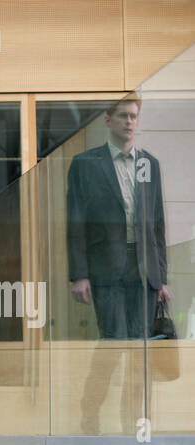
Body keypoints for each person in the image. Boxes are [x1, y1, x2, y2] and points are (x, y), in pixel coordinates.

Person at [66, 93, 171, 340]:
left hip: (144, 267)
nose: (129, 122)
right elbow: (76, 223)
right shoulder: (86, 163)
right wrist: (79, 274)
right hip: (106, 265)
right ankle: (100, 381)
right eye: (123, 116)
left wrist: (161, 279)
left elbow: (156, 225)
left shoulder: (148, 164)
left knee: (141, 342)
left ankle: (133, 382)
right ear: (108, 120)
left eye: (133, 116)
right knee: (113, 339)